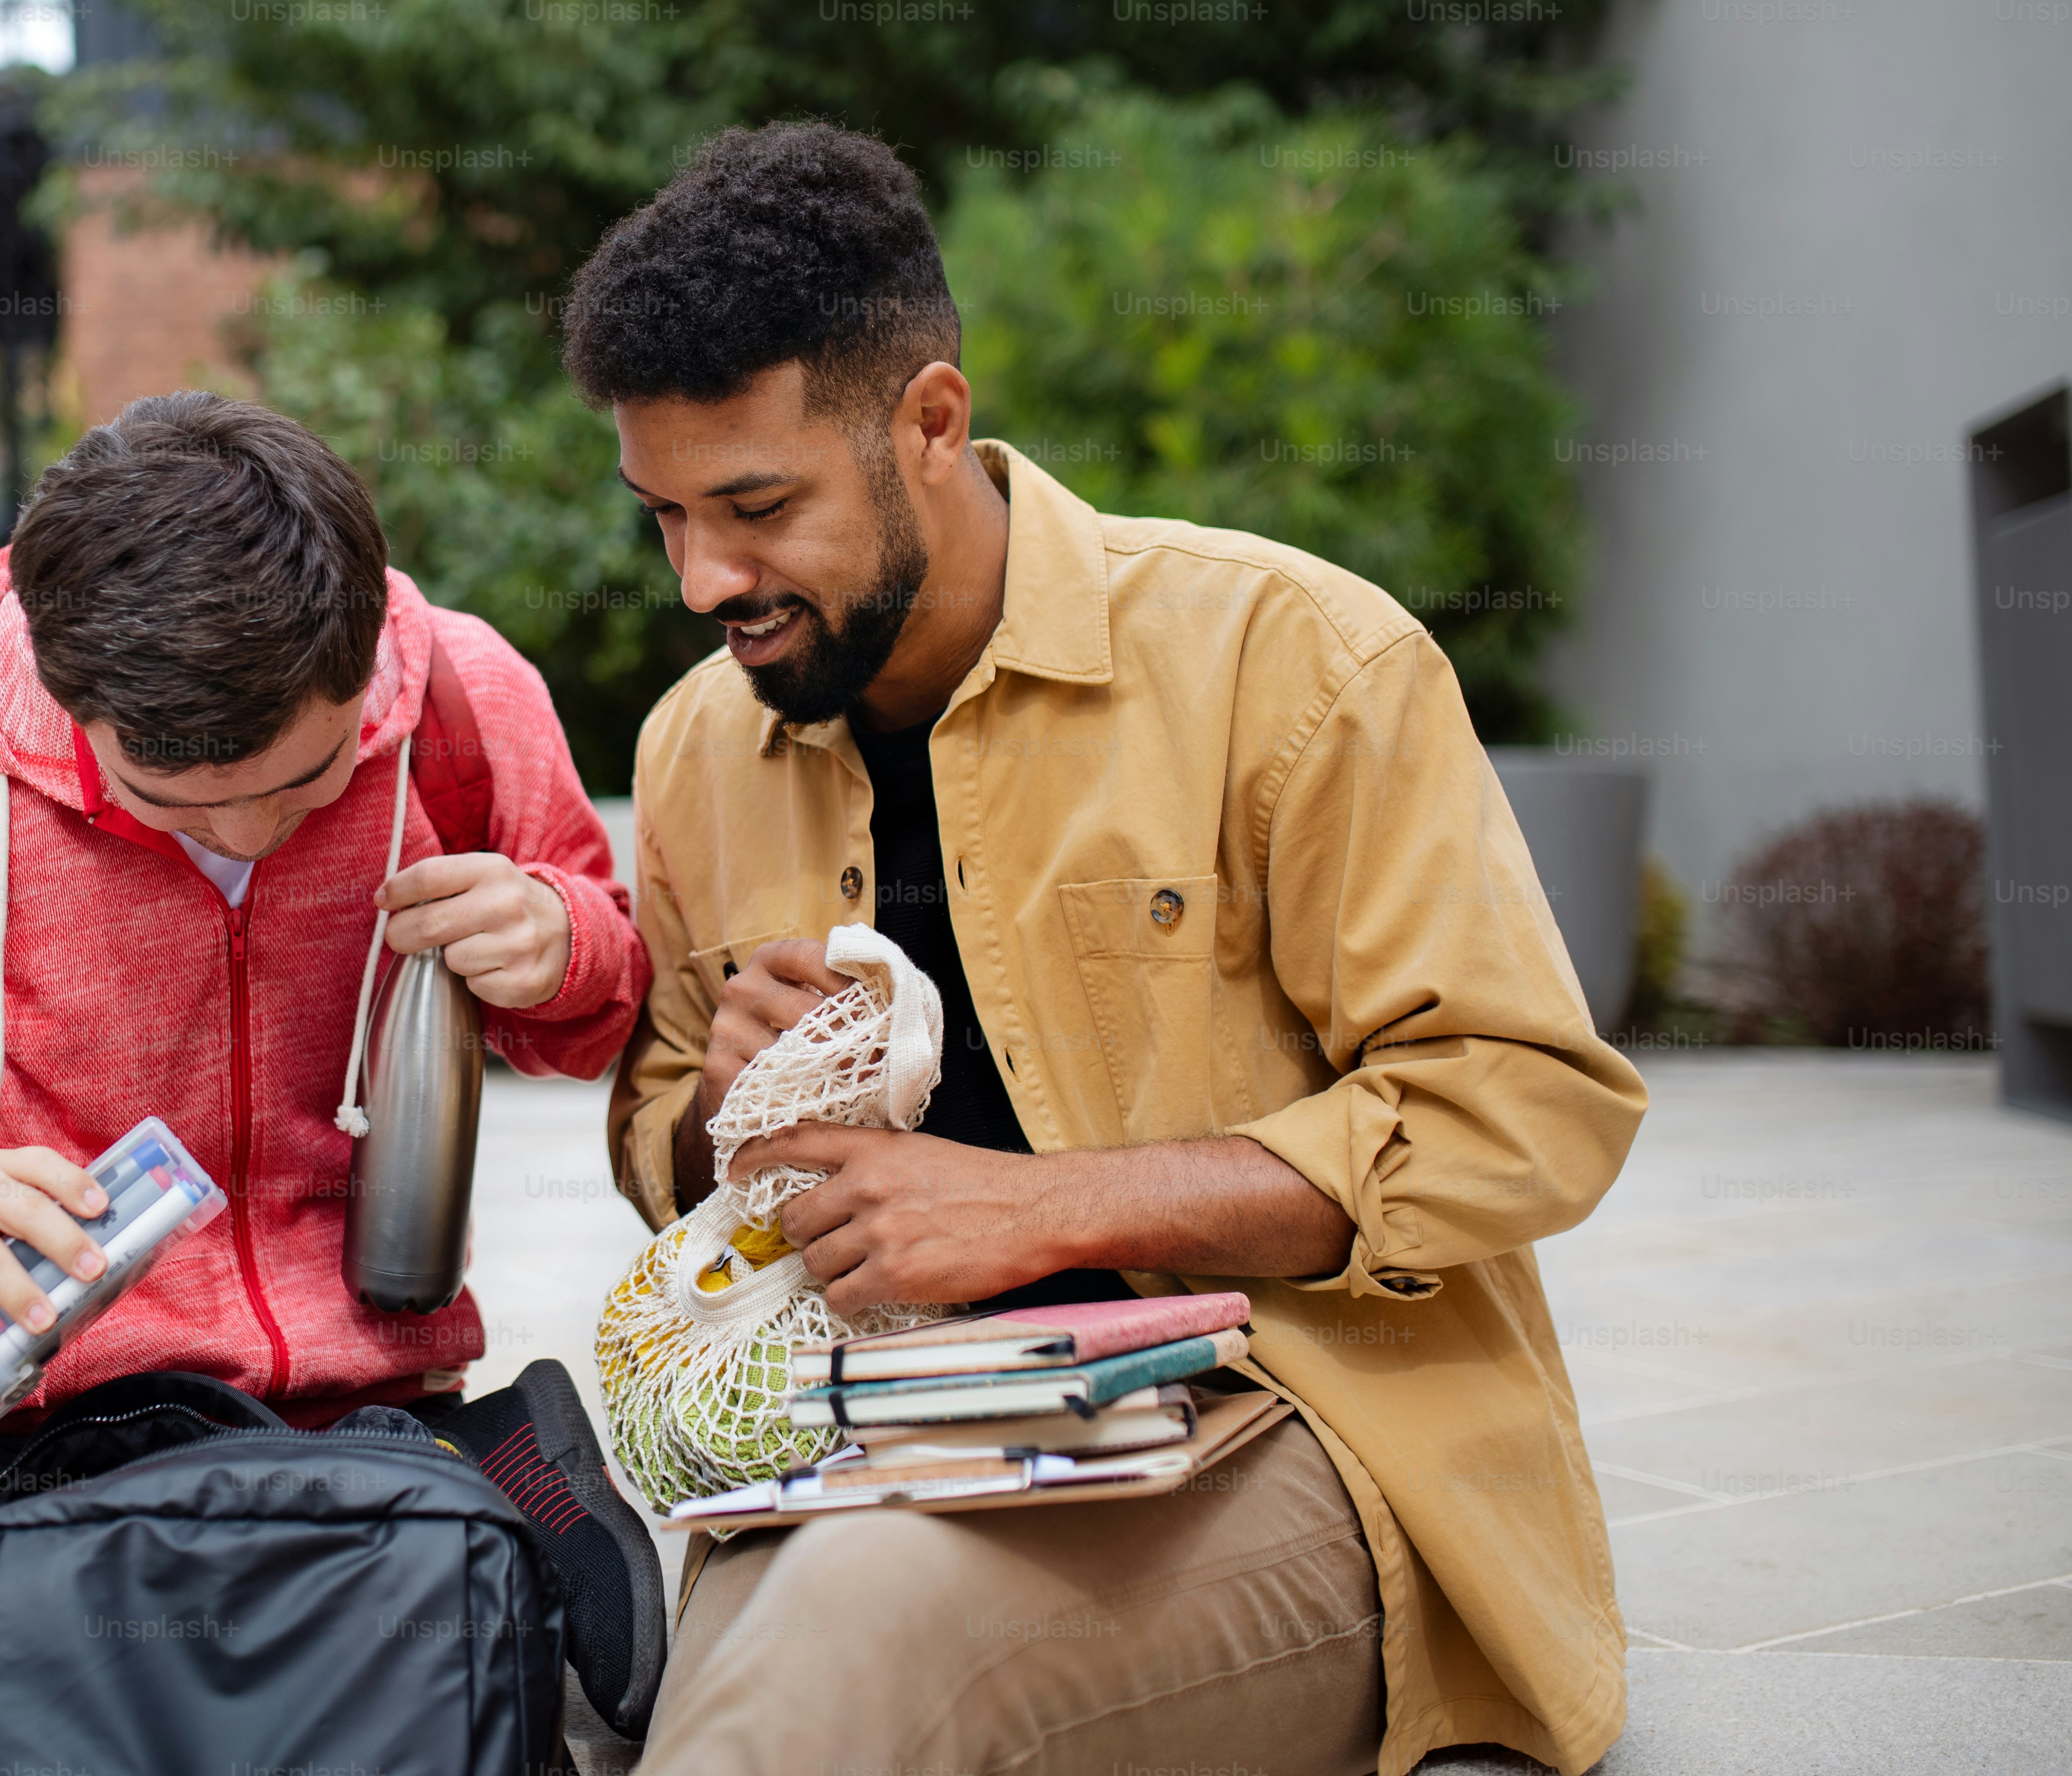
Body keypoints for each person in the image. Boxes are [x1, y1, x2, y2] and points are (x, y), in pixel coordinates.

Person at [576, 125, 1648, 1776]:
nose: (704, 577)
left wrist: (1038, 1211)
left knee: (833, 1673)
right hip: (866, 1431)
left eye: (758, 506)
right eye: (663, 518)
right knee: (759, 1677)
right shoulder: (698, 750)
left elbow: (1525, 1105)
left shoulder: (1294, 657)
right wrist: (723, 1113)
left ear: (929, 422)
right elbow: (662, 1141)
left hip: (1283, 1419)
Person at [0, 393, 665, 1773]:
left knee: (380, 1626)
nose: (253, 833)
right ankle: (456, 1553)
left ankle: (395, 1555)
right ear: (65, 688)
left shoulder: (462, 698)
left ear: (368, 660)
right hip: (8, 1432)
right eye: (174, 801)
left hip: (355, 1412)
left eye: (311, 778)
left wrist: (565, 941)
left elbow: (599, 1019)